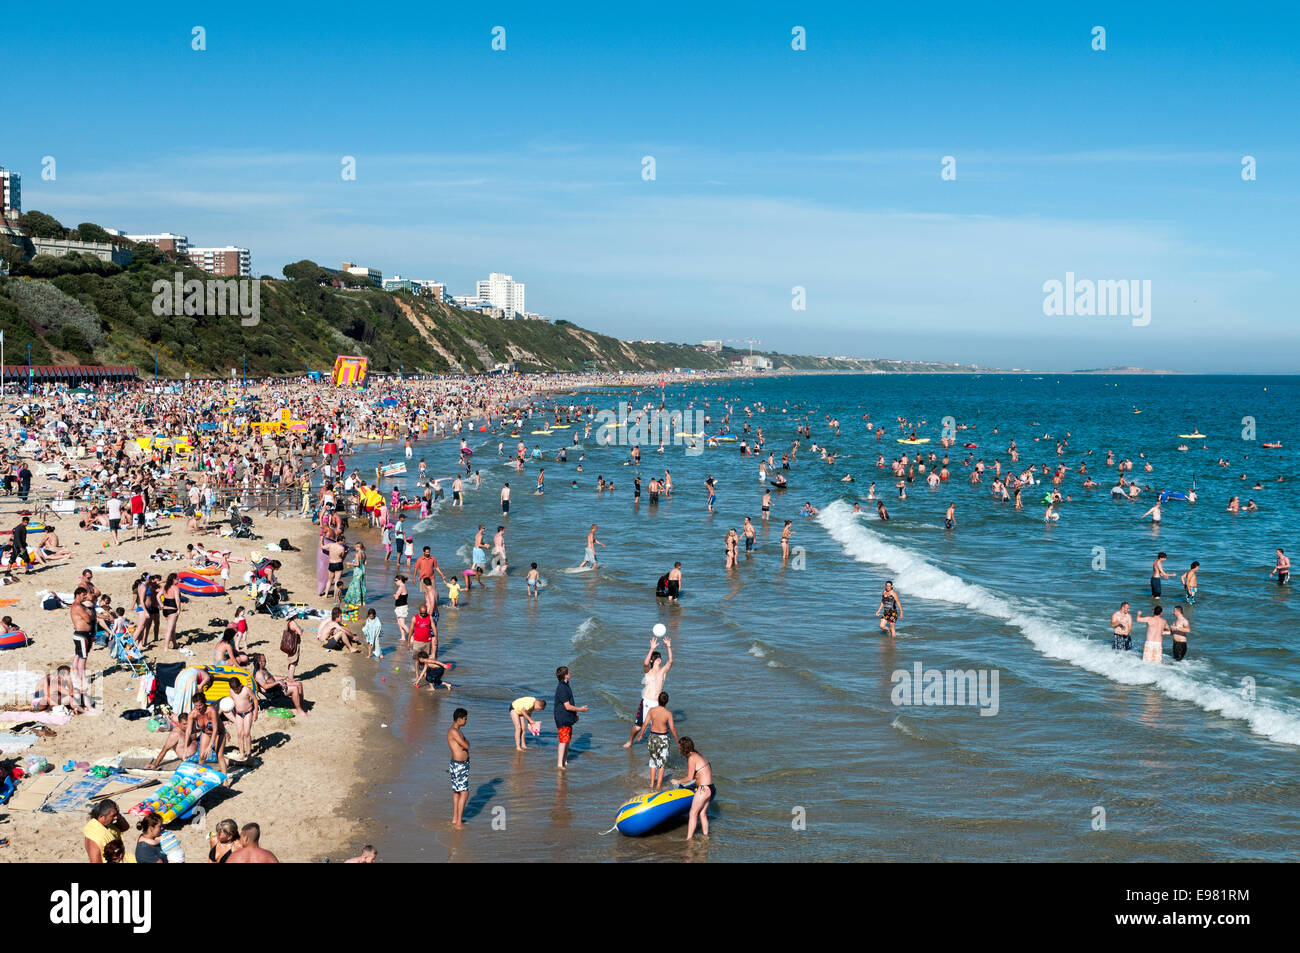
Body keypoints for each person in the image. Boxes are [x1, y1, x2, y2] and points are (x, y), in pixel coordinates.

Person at [624, 637, 673, 748]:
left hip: (657, 703)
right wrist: (651, 649)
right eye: (656, 657)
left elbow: (670, 661)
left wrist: (668, 646)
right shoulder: (648, 672)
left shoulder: (663, 672)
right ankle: (630, 741)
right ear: (652, 660)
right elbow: (645, 663)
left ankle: (662, 746)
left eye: (660, 657)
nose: (659, 658)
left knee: (660, 727)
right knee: (638, 727)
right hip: (646, 702)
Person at [634, 691, 679, 791]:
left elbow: (645, 723)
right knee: (661, 763)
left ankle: (651, 784)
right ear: (667, 702)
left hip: (652, 737)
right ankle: (658, 786)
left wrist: (640, 735)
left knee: (652, 761)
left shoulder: (651, 710)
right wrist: (678, 740)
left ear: (658, 700)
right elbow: (672, 728)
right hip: (663, 739)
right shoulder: (668, 713)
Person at [671, 737, 713, 841]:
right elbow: (698, 775)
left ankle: (689, 839)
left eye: (680, 747)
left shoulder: (691, 758)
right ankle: (706, 837)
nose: (679, 749)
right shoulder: (698, 755)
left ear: (684, 748)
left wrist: (678, 781)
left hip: (703, 789)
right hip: (710, 788)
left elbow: (689, 778)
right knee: (702, 814)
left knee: (693, 814)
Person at [554, 666, 587, 770]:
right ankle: (560, 764)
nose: (570, 673)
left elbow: (570, 704)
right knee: (563, 741)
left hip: (568, 717)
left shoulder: (566, 685)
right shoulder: (561, 688)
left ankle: (565, 761)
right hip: (562, 717)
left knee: (567, 740)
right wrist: (581, 709)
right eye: (569, 672)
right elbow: (567, 706)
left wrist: (575, 714)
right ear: (565, 675)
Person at [447, 708, 470, 829]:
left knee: (457, 792)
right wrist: (466, 742)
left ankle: (455, 819)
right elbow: (466, 745)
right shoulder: (454, 731)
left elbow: (464, 745)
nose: (466, 721)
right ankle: (459, 823)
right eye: (465, 718)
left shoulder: (457, 731)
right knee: (464, 793)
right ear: (459, 719)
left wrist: (465, 743)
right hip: (459, 765)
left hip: (459, 765)